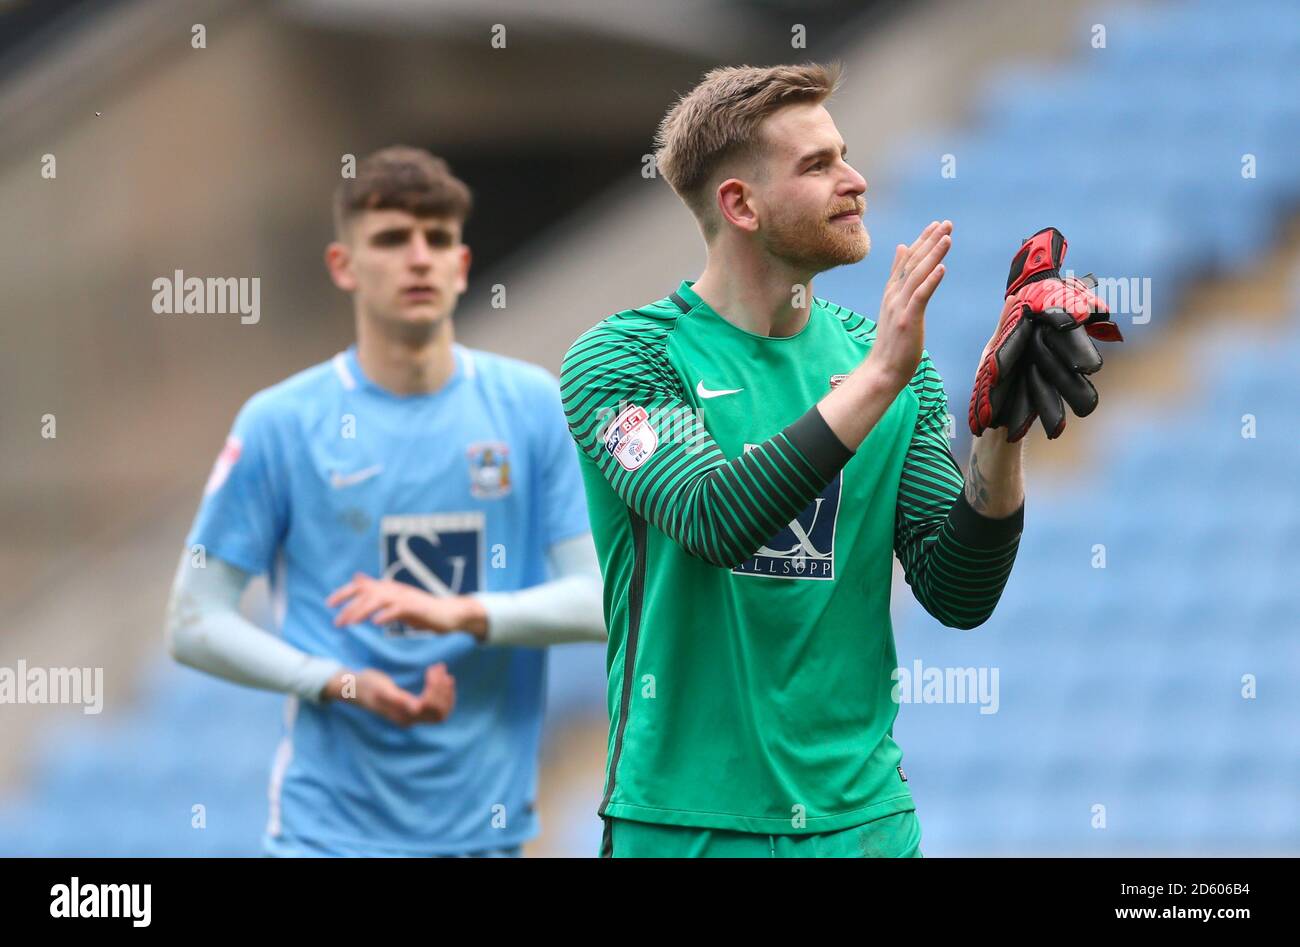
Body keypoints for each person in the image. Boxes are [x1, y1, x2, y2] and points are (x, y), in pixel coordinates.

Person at [560, 63, 1038, 858]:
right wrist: (880, 376)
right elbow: (716, 517)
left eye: (844, 155)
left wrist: (1001, 431)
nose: (855, 181)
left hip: (864, 826)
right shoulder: (624, 359)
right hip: (685, 828)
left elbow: (957, 589)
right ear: (739, 204)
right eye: (817, 166)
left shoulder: (894, 365)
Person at [166, 146, 604, 857]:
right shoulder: (282, 422)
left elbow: (603, 603)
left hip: (488, 835)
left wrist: (463, 612)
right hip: (329, 836)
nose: (420, 257)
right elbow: (193, 620)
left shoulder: (533, 407)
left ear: (463, 267)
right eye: (394, 239)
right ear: (344, 265)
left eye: (438, 238)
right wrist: (337, 681)